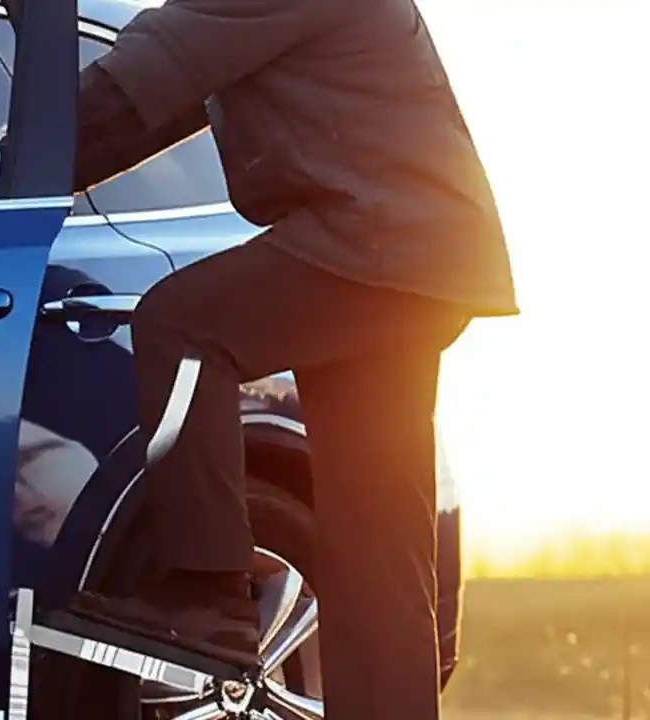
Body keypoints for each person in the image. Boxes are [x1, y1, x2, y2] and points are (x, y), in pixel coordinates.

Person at [57, 0, 518, 717]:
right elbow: (159, 100)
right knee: (378, 560)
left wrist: (16, 165)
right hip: (413, 253)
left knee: (182, 328)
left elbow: (139, 80)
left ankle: (204, 595)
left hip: (374, 241)